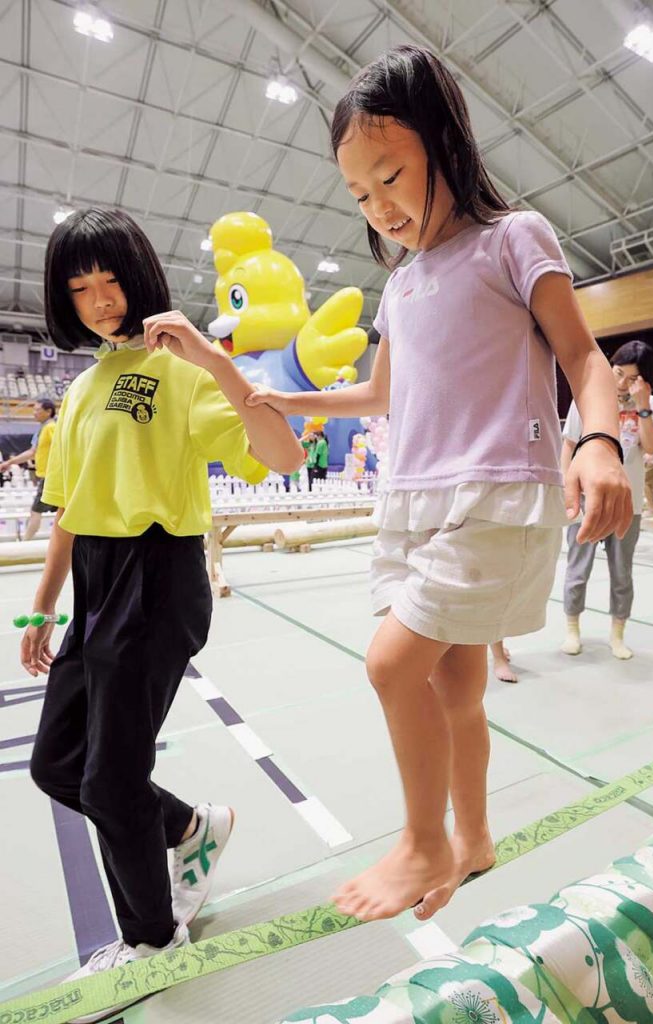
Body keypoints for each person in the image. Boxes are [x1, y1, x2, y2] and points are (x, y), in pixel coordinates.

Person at [246, 45, 631, 924]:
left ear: (445, 145)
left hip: (495, 493)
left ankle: (423, 840)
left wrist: (599, 441)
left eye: (392, 176)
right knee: (455, 691)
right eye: (361, 197)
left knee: (390, 666)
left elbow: (582, 355)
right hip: (415, 501)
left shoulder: (513, 238)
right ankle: (475, 836)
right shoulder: (401, 285)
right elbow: (382, 393)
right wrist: (289, 396)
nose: (381, 209)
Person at [24, 208, 302, 1022]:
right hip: (97, 585)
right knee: (57, 764)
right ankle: (186, 824)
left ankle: (152, 943)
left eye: (110, 279)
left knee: (109, 781)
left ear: (139, 275)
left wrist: (214, 359)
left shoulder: (179, 371)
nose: (99, 299)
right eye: (80, 287)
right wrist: (42, 609)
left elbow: (281, 456)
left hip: (158, 575)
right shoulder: (78, 390)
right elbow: (69, 510)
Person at [561, 341, 653, 660]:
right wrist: (569, 493)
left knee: (622, 573)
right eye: (619, 373)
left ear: (645, 380)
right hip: (588, 499)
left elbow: (650, 447)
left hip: (627, 504)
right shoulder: (590, 398)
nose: (621, 383)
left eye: (631, 378)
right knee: (578, 569)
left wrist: (643, 404)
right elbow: (568, 446)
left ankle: (617, 634)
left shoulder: (649, 405)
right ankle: (572, 630)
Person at [0, 398, 58, 539]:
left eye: (37, 409)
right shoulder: (43, 429)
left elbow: (62, 447)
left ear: (48, 411)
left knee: (36, 511)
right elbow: (32, 452)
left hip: (51, 476)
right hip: (47, 476)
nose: (34, 413)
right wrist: (10, 462)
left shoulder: (51, 428)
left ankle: (26, 541)